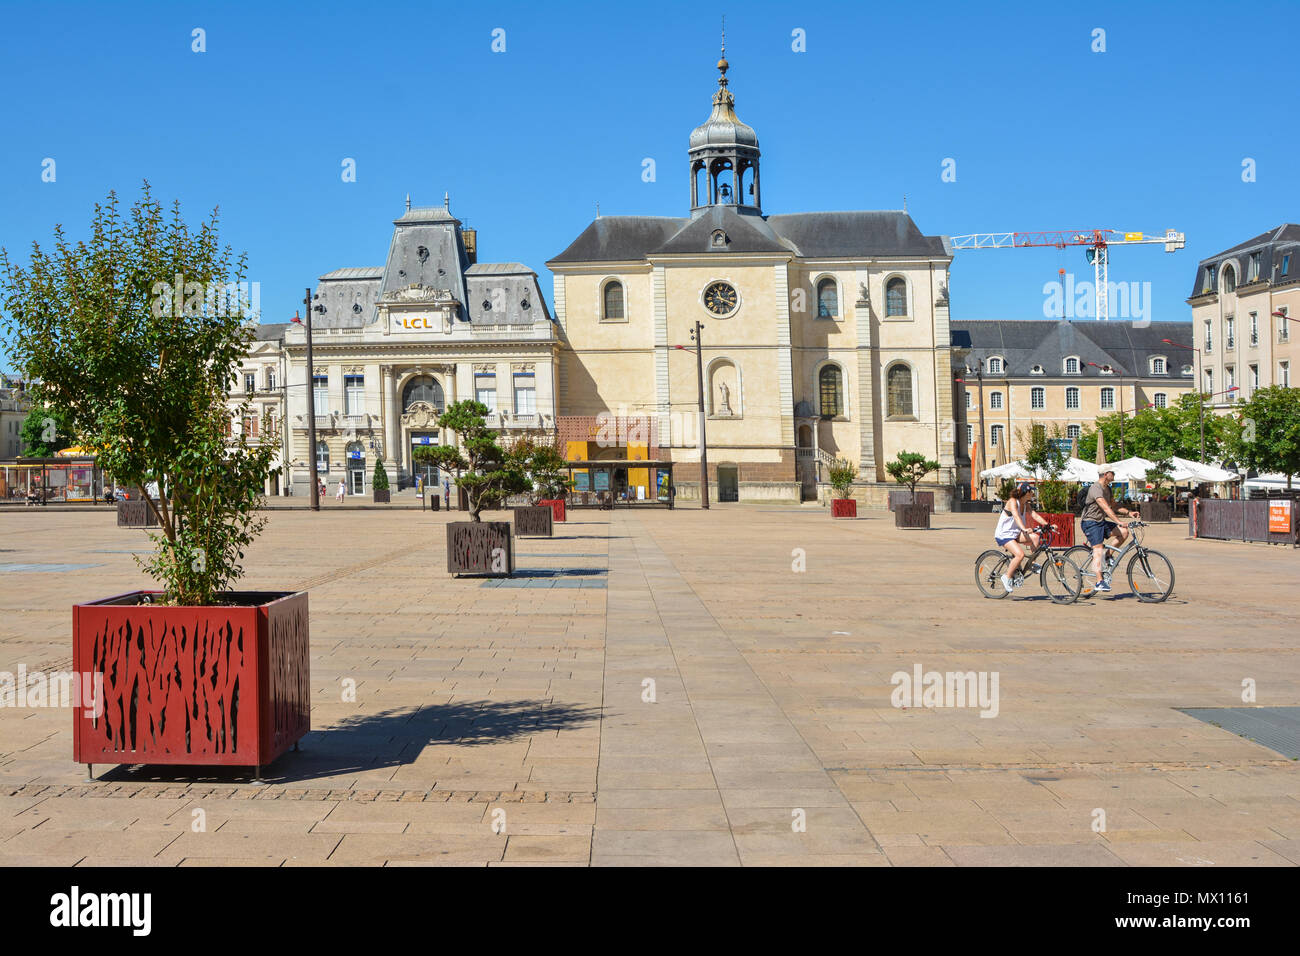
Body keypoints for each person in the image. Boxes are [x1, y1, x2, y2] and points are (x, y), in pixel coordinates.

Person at [1081, 467, 1138, 593]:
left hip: (1101, 522)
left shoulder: (1108, 489)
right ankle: (1099, 581)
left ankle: (1108, 555)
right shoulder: (1096, 488)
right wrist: (1118, 522)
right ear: (1106, 474)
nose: (1115, 474)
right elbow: (1106, 508)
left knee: (1123, 532)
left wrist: (1129, 512)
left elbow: (1114, 505)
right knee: (1098, 549)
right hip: (1090, 522)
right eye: (1113, 473)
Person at [992, 483, 1051, 593]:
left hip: (1016, 533)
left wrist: (1047, 525)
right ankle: (1007, 577)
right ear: (1026, 492)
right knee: (1020, 555)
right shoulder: (1013, 501)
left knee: (1036, 538)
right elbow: (1016, 516)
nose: (1033, 493)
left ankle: (1032, 564)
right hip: (1004, 534)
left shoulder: (1026, 503)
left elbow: (1034, 515)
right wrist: (1024, 529)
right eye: (1031, 492)